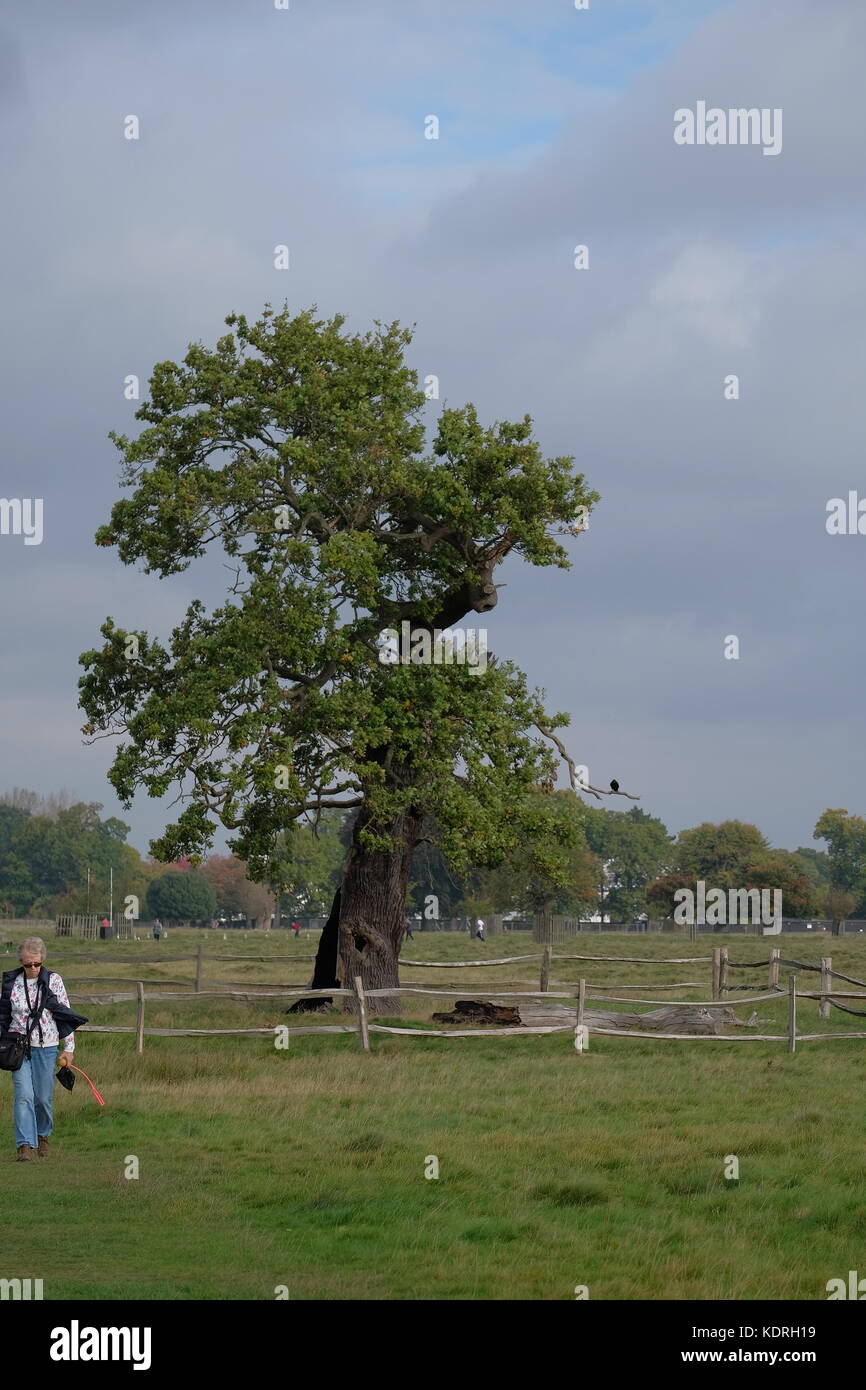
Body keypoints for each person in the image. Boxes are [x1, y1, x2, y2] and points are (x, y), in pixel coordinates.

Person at [0, 937, 87, 1162]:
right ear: (21, 962)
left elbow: (63, 1014)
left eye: (37, 964)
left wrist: (69, 1049)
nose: (33, 969)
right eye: (28, 964)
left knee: (42, 1098)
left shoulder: (54, 981)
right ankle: (24, 1145)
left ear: (42, 961)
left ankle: (43, 1135)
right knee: (23, 1096)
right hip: (18, 1048)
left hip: (46, 1047)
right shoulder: (11, 983)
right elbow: (3, 1016)